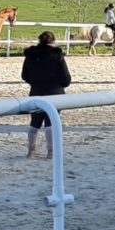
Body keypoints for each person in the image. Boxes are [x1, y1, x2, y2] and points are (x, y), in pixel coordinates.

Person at [21, 31, 72, 159]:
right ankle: (51, 152)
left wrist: (35, 82)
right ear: (53, 41)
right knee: (51, 123)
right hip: (54, 92)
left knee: (35, 123)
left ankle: (31, 150)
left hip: (36, 91)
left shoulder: (30, 55)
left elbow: (24, 75)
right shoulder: (57, 56)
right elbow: (66, 78)